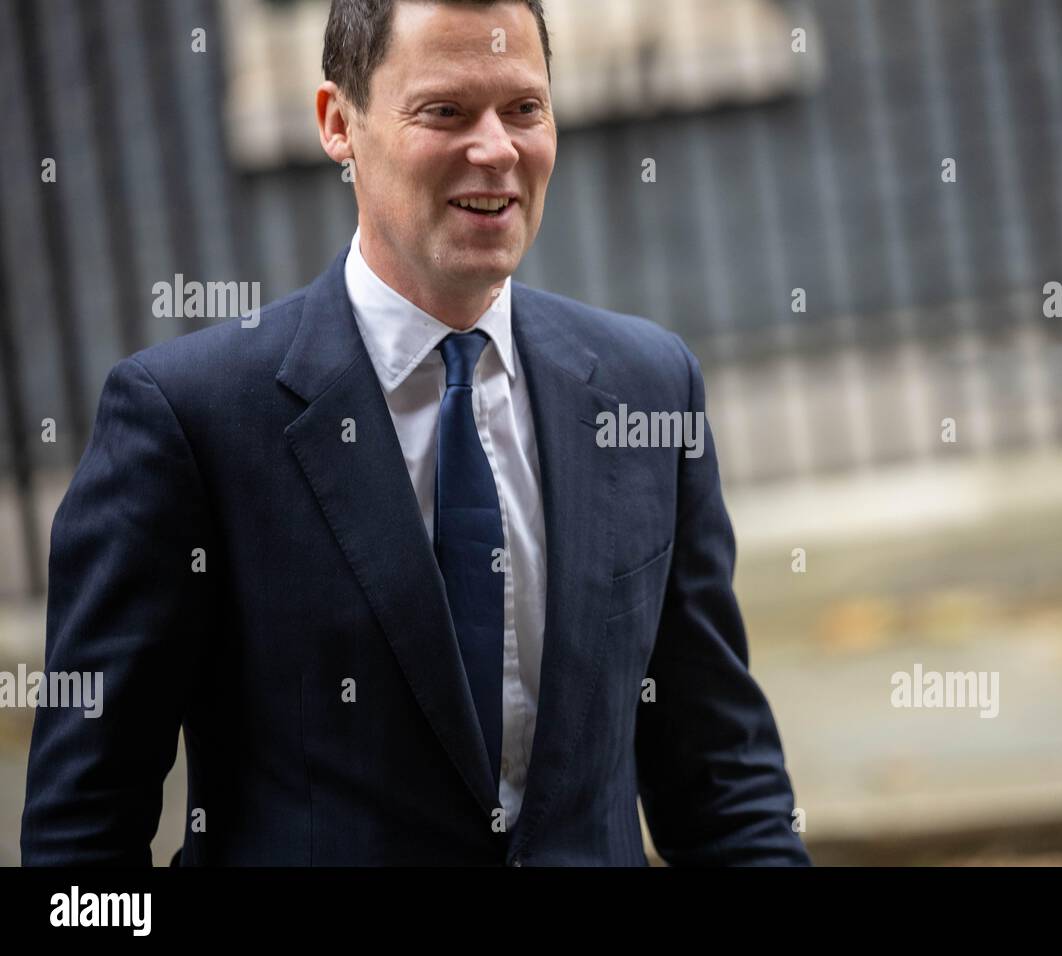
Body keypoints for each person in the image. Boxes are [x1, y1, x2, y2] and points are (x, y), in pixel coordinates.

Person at [21, 0, 810, 866]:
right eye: (446, 111)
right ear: (338, 124)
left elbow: (722, 783)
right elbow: (81, 834)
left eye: (524, 108)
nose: (496, 149)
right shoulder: (189, 419)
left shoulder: (648, 388)